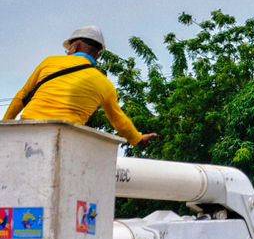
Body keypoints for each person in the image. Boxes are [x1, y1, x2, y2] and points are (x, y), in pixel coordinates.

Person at [4, 26, 157, 149]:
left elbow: (22, 96)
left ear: (75, 46)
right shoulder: (104, 84)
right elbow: (119, 120)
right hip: (67, 137)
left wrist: (4, 127)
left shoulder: (49, 62)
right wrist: (138, 139)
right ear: (98, 55)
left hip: (29, 130)